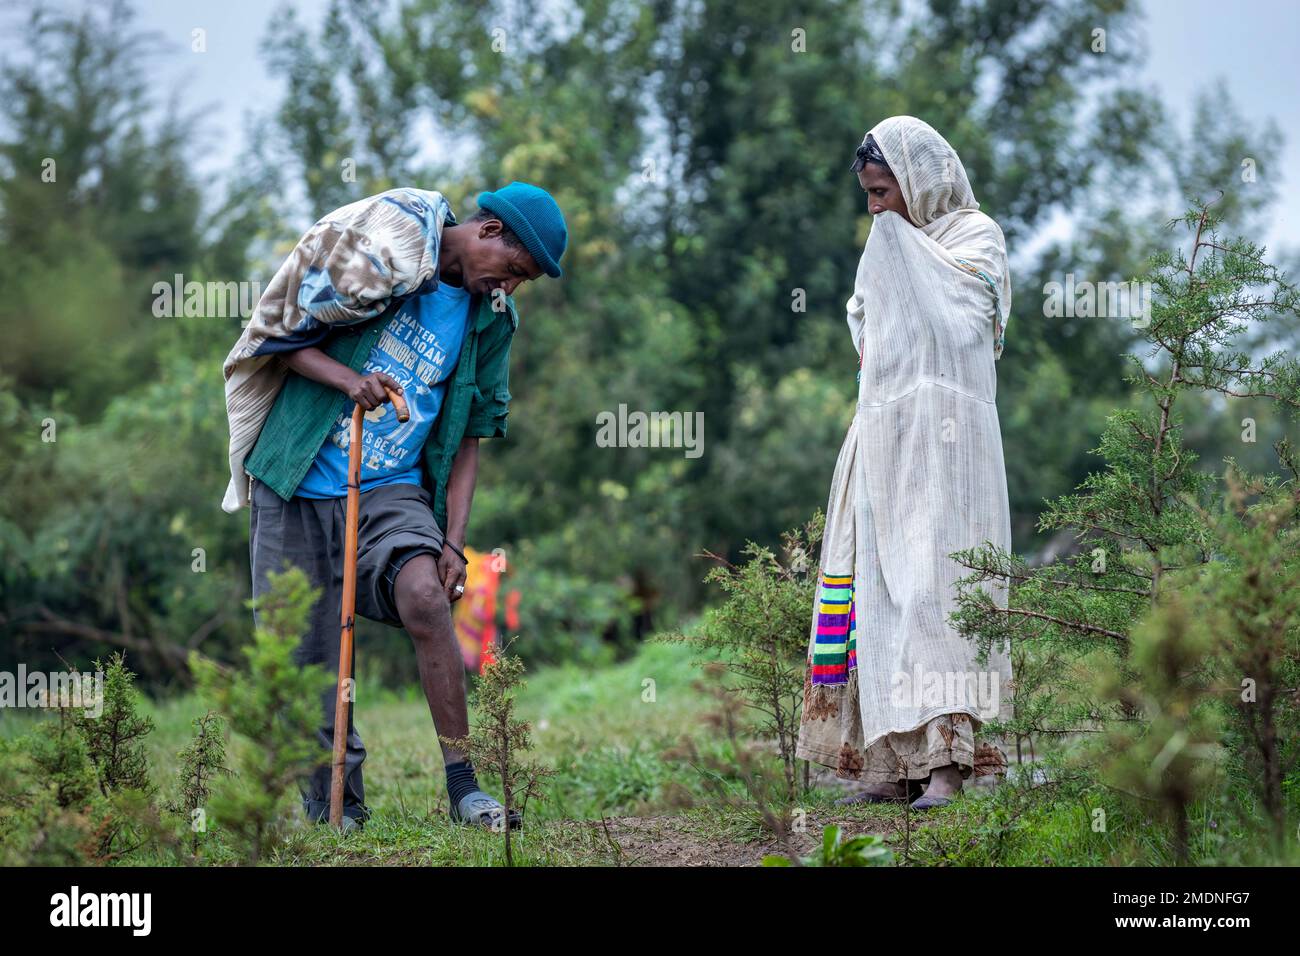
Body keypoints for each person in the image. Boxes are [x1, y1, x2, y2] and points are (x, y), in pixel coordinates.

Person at [221, 182, 567, 829]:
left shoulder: (492, 320)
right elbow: (283, 337)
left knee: (425, 596)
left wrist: (452, 539)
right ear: (489, 233)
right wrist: (350, 381)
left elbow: (471, 436)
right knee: (303, 653)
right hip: (294, 476)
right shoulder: (386, 258)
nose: (510, 288)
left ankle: (465, 789)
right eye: (513, 271)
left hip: (390, 488)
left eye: (522, 283)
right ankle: (336, 805)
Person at [795, 117, 1013, 810]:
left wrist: (899, 248)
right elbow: (871, 338)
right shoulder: (886, 248)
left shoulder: (976, 239)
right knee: (875, 593)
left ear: (918, 180)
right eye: (868, 195)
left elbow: (961, 324)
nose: (875, 210)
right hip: (884, 437)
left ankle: (947, 767)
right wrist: (892, 247)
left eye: (883, 191)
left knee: (936, 593)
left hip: (951, 446)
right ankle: (889, 768)